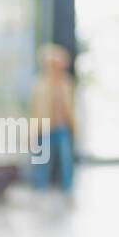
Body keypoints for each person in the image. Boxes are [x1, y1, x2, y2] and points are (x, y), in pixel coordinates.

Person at [29, 43, 77, 195]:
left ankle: (67, 188)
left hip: (62, 128)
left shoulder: (66, 83)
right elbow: (35, 109)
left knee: (65, 160)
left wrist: (74, 126)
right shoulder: (40, 84)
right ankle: (40, 188)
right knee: (43, 162)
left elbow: (70, 107)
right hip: (45, 128)